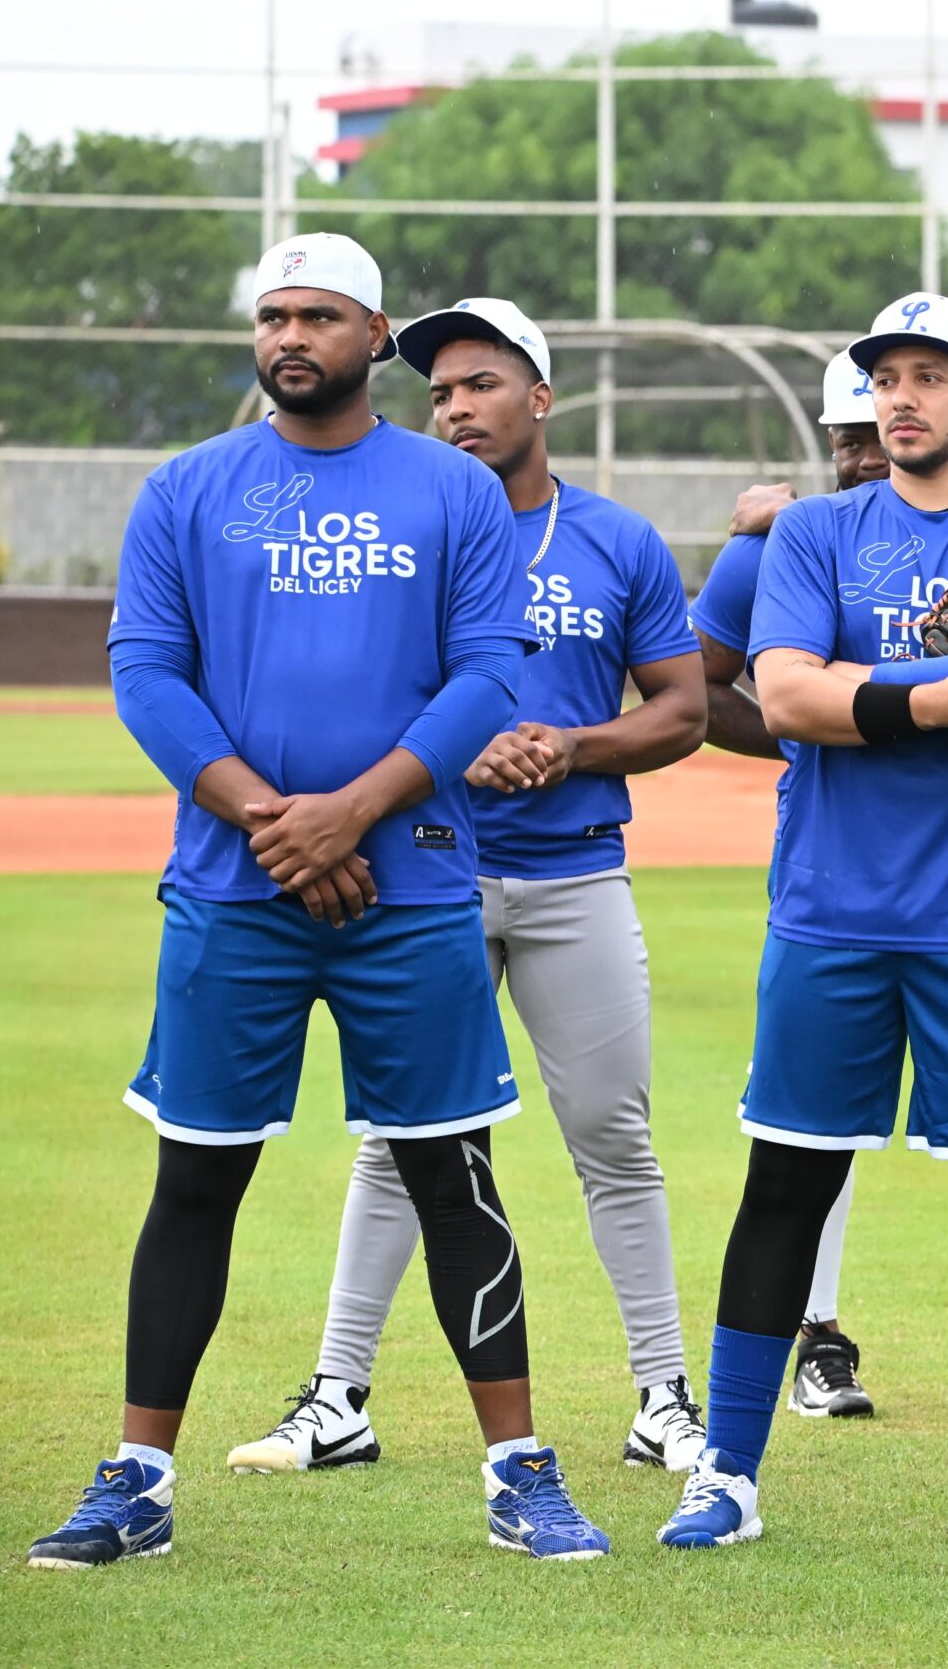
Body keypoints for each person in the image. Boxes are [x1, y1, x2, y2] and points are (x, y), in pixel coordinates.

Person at [30, 234, 608, 1568]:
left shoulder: (451, 494)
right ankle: (138, 1476)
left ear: (374, 334)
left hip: (406, 883)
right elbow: (147, 676)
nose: (293, 334)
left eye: (322, 314)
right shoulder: (187, 490)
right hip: (235, 886)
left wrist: (353, 810)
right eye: (275, 314)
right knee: (195, 1181)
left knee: (451, 1173)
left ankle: (521, 1470)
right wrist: (276, 820)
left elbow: (487, 675)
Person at [223, 297, 711, 1479]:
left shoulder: (617, 540)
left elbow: (686, 708)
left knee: (614, 1134)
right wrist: (453, 741)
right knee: (402, 1139)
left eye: (480, 385)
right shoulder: (397, 524)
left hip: (573, 875)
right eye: (438, 392)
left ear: (539, 398)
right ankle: (337, 1391)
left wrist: (572, 742)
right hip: (426, 872)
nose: (454, 408)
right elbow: (347, 682)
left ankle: (663, 1397)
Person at [656, 293, 948, 1561]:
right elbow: (784, 690)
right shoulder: (811, 530)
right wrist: (941, 694)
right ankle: (727, 1473)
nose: (898, 397)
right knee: (781, 1189)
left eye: (927, 374)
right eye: (883, 377)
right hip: (833, 912)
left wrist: (929, 690)